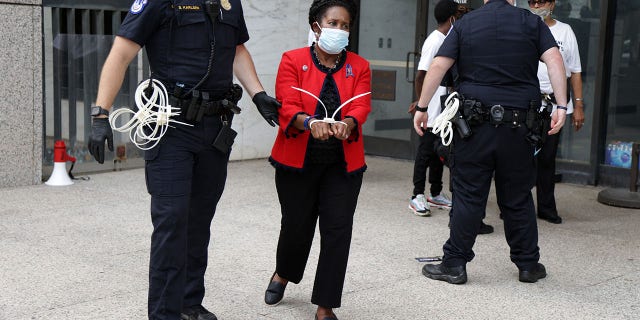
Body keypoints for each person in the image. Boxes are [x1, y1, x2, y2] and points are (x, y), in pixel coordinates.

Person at [87, 1, 280, 319]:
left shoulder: (230, 3)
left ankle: (189, 303)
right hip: (170, 126)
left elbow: (237, 49)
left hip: (215, 126)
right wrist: (100, 113)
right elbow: (120, 53)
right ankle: (164, 313)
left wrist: (258, 94)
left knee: (199, 221)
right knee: (172, 221)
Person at [413, 0, 568, 284]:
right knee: (518, 196)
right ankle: (528, 265)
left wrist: (423, 108)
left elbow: (439, 64)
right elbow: (555, 59)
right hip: (520, 126)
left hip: (473, 127)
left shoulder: (465, 24)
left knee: (469, 194)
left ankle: (455, 264)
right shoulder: (531, 22)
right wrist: (561, 105)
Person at [263, 1, 370, 319]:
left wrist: (347, 124)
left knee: (338, 231)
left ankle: (325, 306)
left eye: (346, 25)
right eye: (333, 23)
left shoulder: (360, 66)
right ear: (315, 26)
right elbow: (287, 101)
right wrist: (310, 123)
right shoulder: (292, 60)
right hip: (298, 160)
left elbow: (362, 104)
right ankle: (283, 273)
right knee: (296, 226)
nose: (340, 30)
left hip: (343, 164)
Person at [529, 0, 585, 224]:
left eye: (540, 1)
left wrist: (578, 105)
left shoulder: (565, 31)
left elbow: (576, 71)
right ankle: (515, 205)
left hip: (554, 105)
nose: (536, 5)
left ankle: (546, 207)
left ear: (551, 3)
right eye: (532, 1)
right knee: (520, 158)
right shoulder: (525, 26)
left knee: (547, 158)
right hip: (528, 103)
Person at [407, 0, 458, 217]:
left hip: (443, 110)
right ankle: (417, 194)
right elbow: (421, 75)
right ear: (452, 18)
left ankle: (435, 192)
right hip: (432, 108)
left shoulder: (448, 39)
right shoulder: (434, 41)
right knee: (425, 152)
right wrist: (422, 105)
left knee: (439, 151)